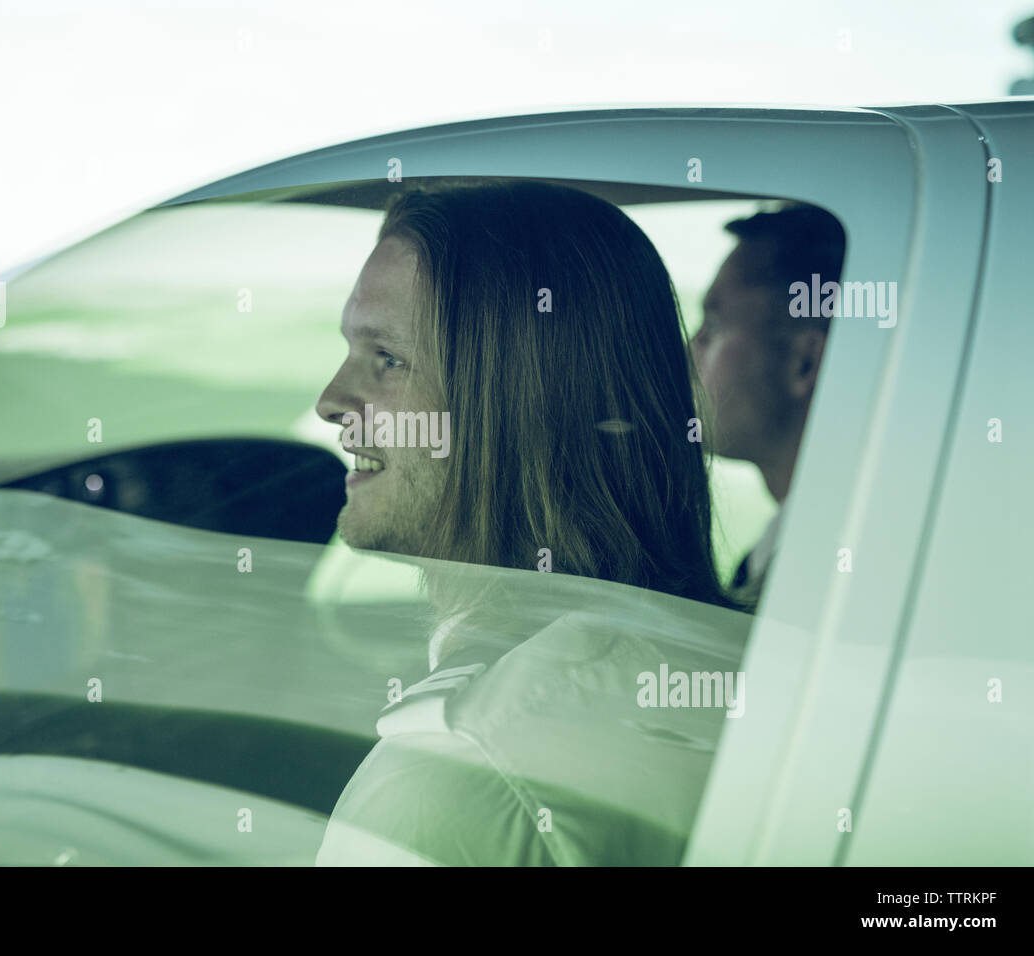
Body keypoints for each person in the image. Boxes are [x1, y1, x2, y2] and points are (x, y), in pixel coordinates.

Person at [312, 181, 752, 866]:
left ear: (515, 404)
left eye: (388, 360)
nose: (331, 400)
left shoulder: (449, 781)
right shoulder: (737, 660)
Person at [689, 203, 846, 606]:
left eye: (713, 327)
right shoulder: (788, 549)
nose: (689, 351)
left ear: (804, 362)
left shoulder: (831, 577)